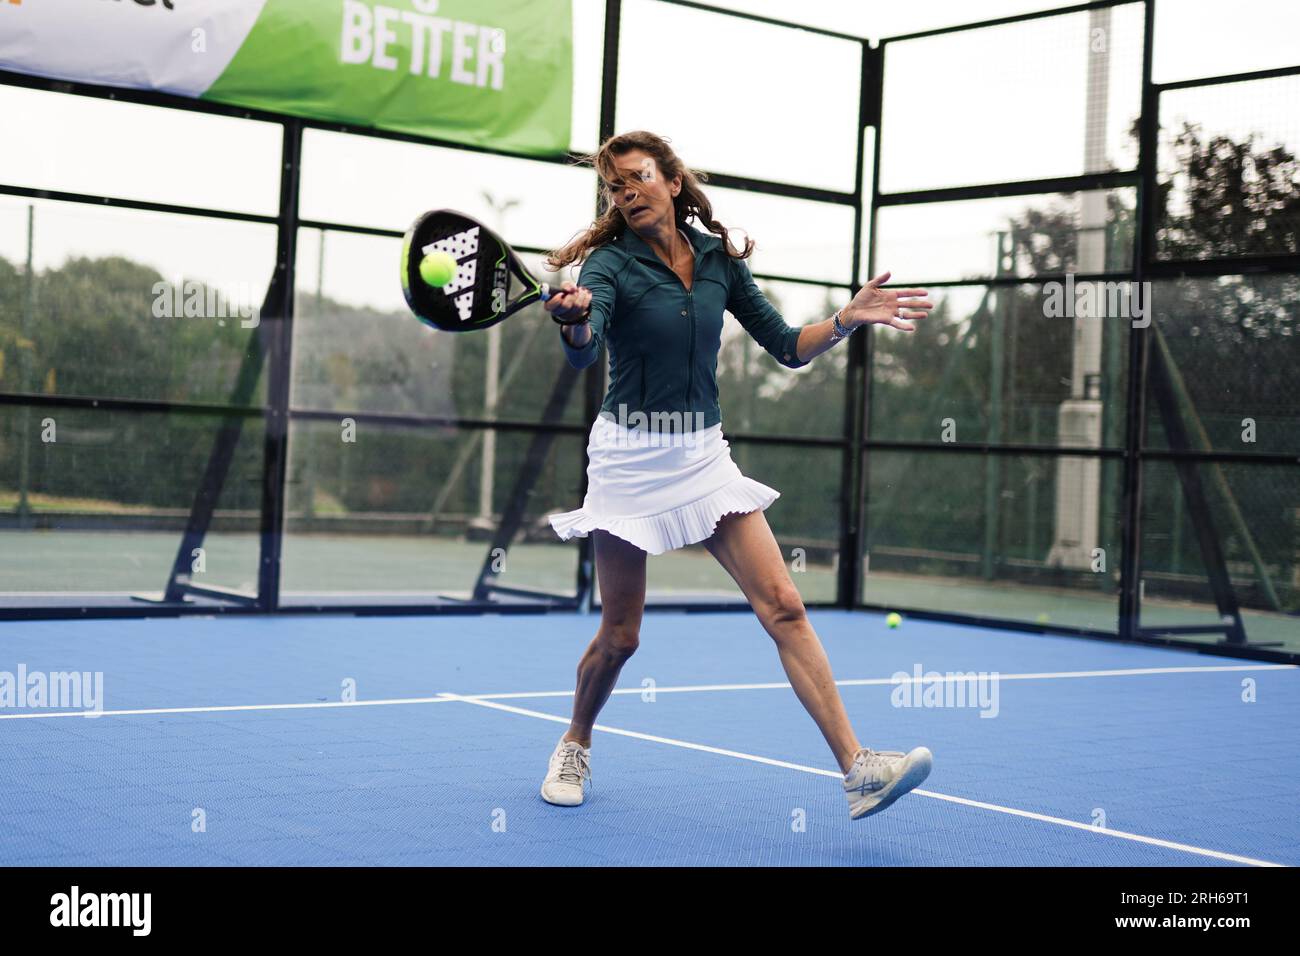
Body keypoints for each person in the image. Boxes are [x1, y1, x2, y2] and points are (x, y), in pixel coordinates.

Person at [539, 130, 934, 821]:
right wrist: (573, 326)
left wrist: (844, 319)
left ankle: (858, 768)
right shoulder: (607, 266)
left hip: (702, 456)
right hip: (630, 458)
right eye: (613, 186)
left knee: (784, 604)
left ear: (670, 181)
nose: (625, 193)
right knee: (622, 635)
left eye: (636, 178)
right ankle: (575, 739)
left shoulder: (718, 260)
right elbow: (585, 349)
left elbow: (786, 347)